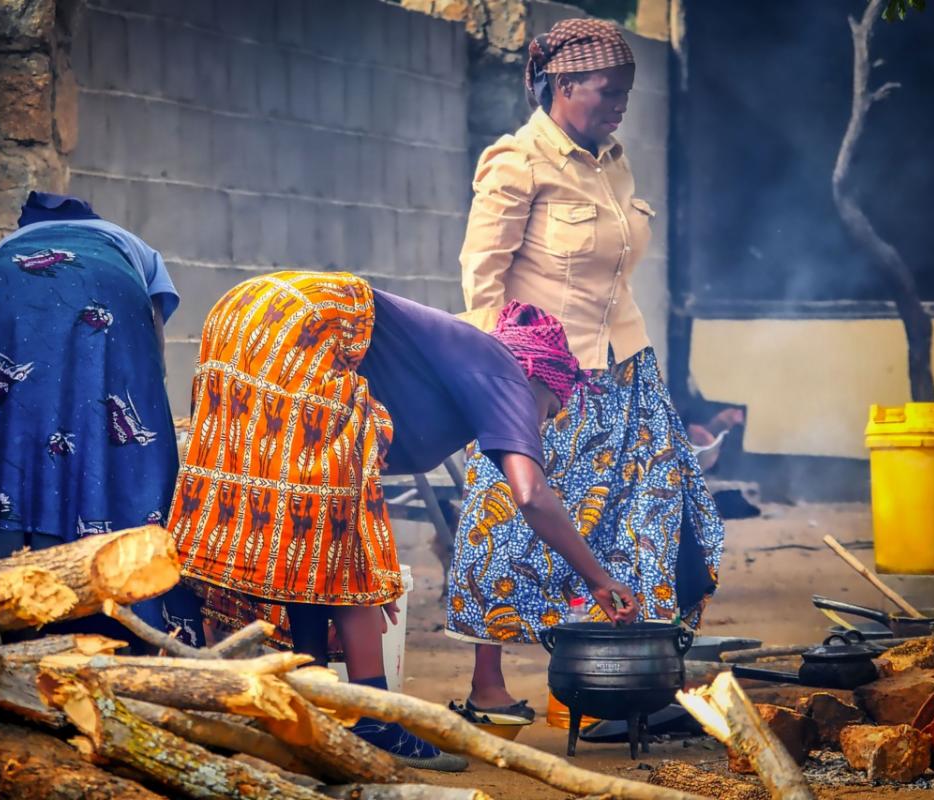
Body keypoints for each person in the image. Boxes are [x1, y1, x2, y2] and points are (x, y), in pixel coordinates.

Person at [164, 271, 638, 771]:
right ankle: (375, 718)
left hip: (246, 312)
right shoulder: (508, 375)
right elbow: (532, 495)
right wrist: (599, 580)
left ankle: (310, 698)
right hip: (314, 319)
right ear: (539, 377)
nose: (538, 424)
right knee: (350, 538)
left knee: (311, 531)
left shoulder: (451, 364)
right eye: (550, 410)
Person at [452, 18, 726, 720]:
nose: (619, 104)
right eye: (609, 91)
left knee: (649, 513)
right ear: (564, 85)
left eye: (626, 92)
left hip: (627, 372)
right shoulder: (518, 162)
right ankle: (488, 683)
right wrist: (499, 379)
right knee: (511, 517)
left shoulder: (613, 158)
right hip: (546, 379)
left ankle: (617, 675)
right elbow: (481, 279)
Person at [0, 191, 181, 639]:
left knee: (3, 429)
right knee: (115, 441)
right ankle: (129, 618)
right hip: (109, 288)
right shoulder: (130, 249)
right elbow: (154, 360)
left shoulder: (2, 253)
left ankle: (1, 602)